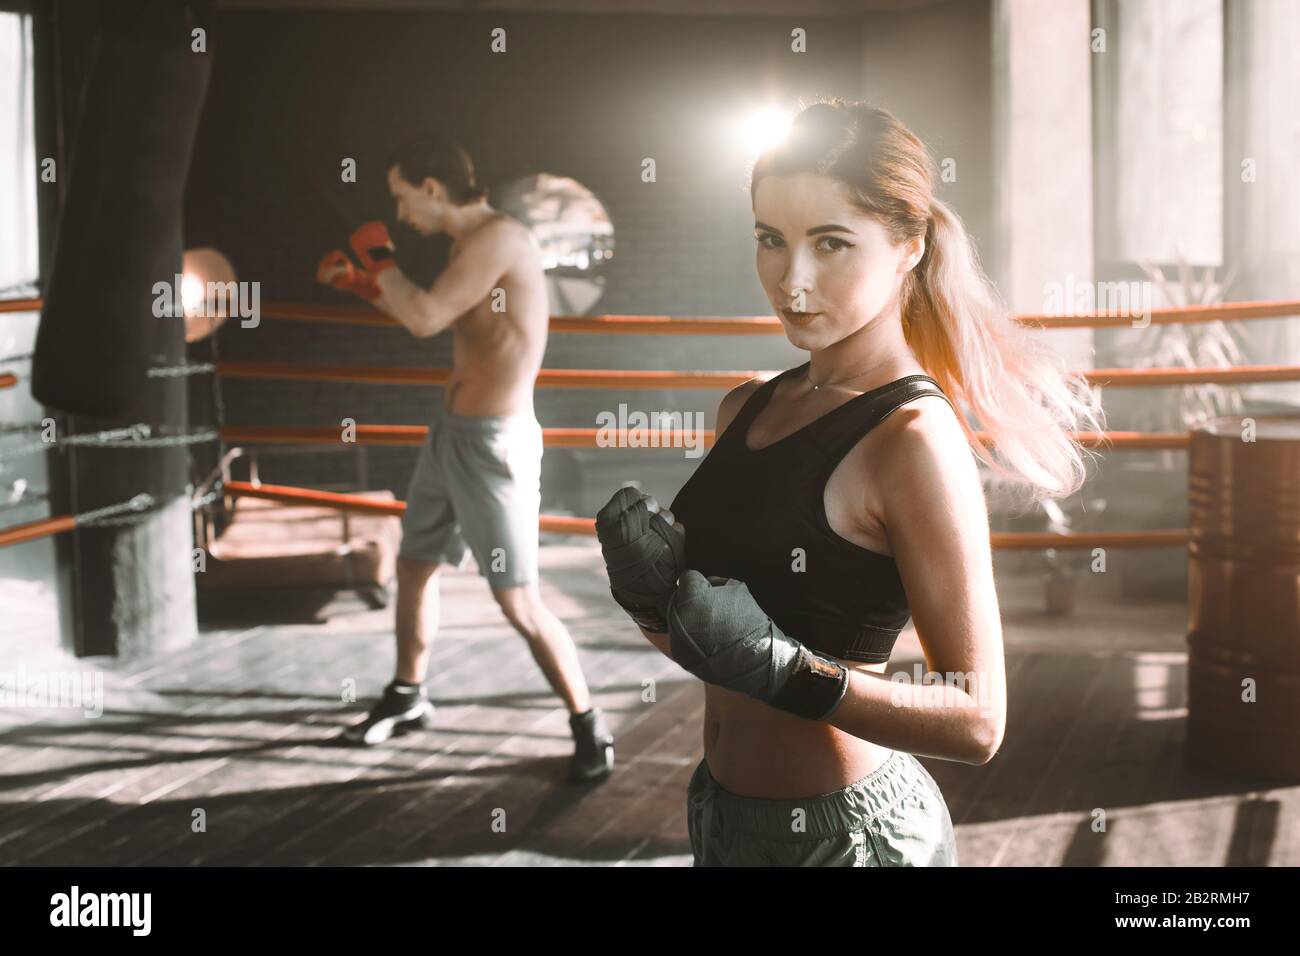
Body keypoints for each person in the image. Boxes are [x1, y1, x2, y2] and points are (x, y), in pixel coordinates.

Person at [597, 100, 1105, 864]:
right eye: (771, 239)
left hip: (847, 839)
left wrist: (789, 669)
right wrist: (649, 604)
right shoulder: (747, 404)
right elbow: (725, 656)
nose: (791, 278)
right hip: (721, 815)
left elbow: (977, 722)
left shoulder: (910, 441)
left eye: (831, 243)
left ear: (908, 247)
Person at [318, 132, 614, 782]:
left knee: (519, 602)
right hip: (452, 433)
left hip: (495, 447)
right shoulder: (467, 246)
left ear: (431, 188)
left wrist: (378, 259)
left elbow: (422, 317)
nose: (400, 215)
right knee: (415, 564)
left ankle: (589, 724)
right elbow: (454, 321)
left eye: (401, 198)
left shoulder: (500, 240)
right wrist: (364, 285)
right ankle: (407, 693)